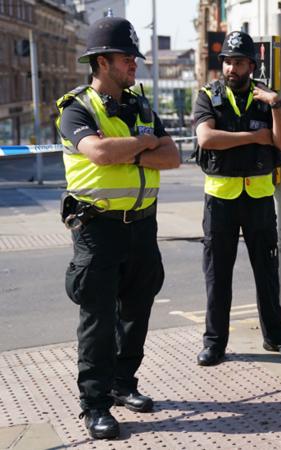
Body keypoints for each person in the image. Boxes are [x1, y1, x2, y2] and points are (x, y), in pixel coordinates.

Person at [57, 16, 181, 439]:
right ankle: (94, 406)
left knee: (137, 310)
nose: (135, 64)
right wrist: (145, 144)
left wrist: (132, 149)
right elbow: (98, 152)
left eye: (135, 57)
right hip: (98, 228)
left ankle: (123, 384)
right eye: (128, 57)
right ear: (102, 60)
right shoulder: (76, 108)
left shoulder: (140, 106)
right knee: (97, 319)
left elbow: (174, 157)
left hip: (143, 226)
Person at [192, 30, 281, 367]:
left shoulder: (267, 97)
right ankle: (214, 344)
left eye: (238, 62)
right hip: (221, 200)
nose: (231, 68)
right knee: (218, 276)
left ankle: (276, 336)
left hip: (258, 198)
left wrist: (277, 106)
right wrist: (254, 136)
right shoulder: (208, 96)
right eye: (227, 61)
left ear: (251, 65)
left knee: (267, 272)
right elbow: (207, 138)